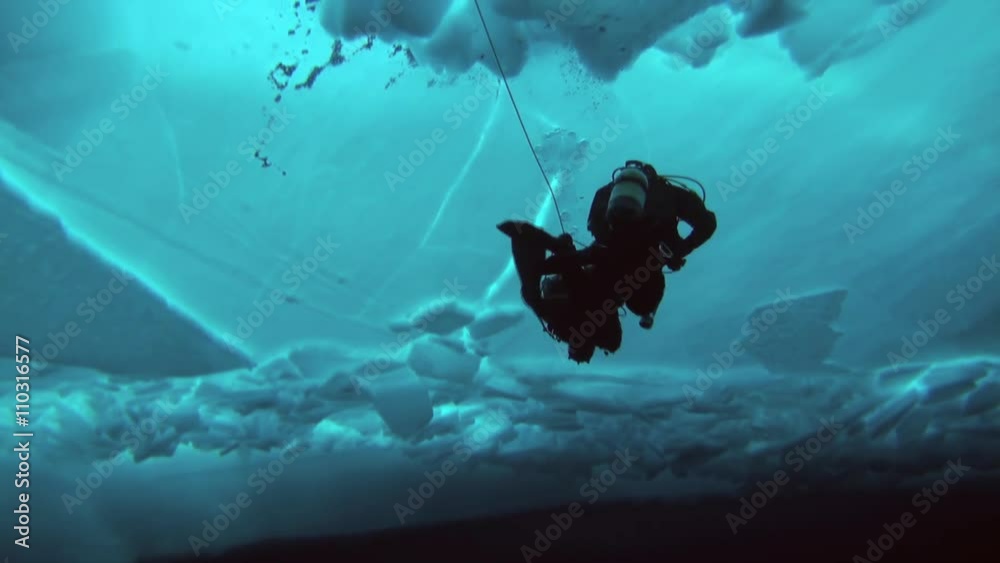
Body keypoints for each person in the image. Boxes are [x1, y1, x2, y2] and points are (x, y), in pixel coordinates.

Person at [584, 160, 717, 329]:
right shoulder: (669, 193)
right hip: (641, 247)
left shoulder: (605, 194)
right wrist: (681, 249)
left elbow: (595, 228)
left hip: (617, 248)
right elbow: (707, 224)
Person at [497, 220, 622, 363]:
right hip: (584, 285)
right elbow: (542, 308)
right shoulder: (583, 332)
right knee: (566, 279)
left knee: (569, 277)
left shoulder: (584, 332)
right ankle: (555, 248)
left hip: (581, 284)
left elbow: (543, 308)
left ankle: (558, 249)